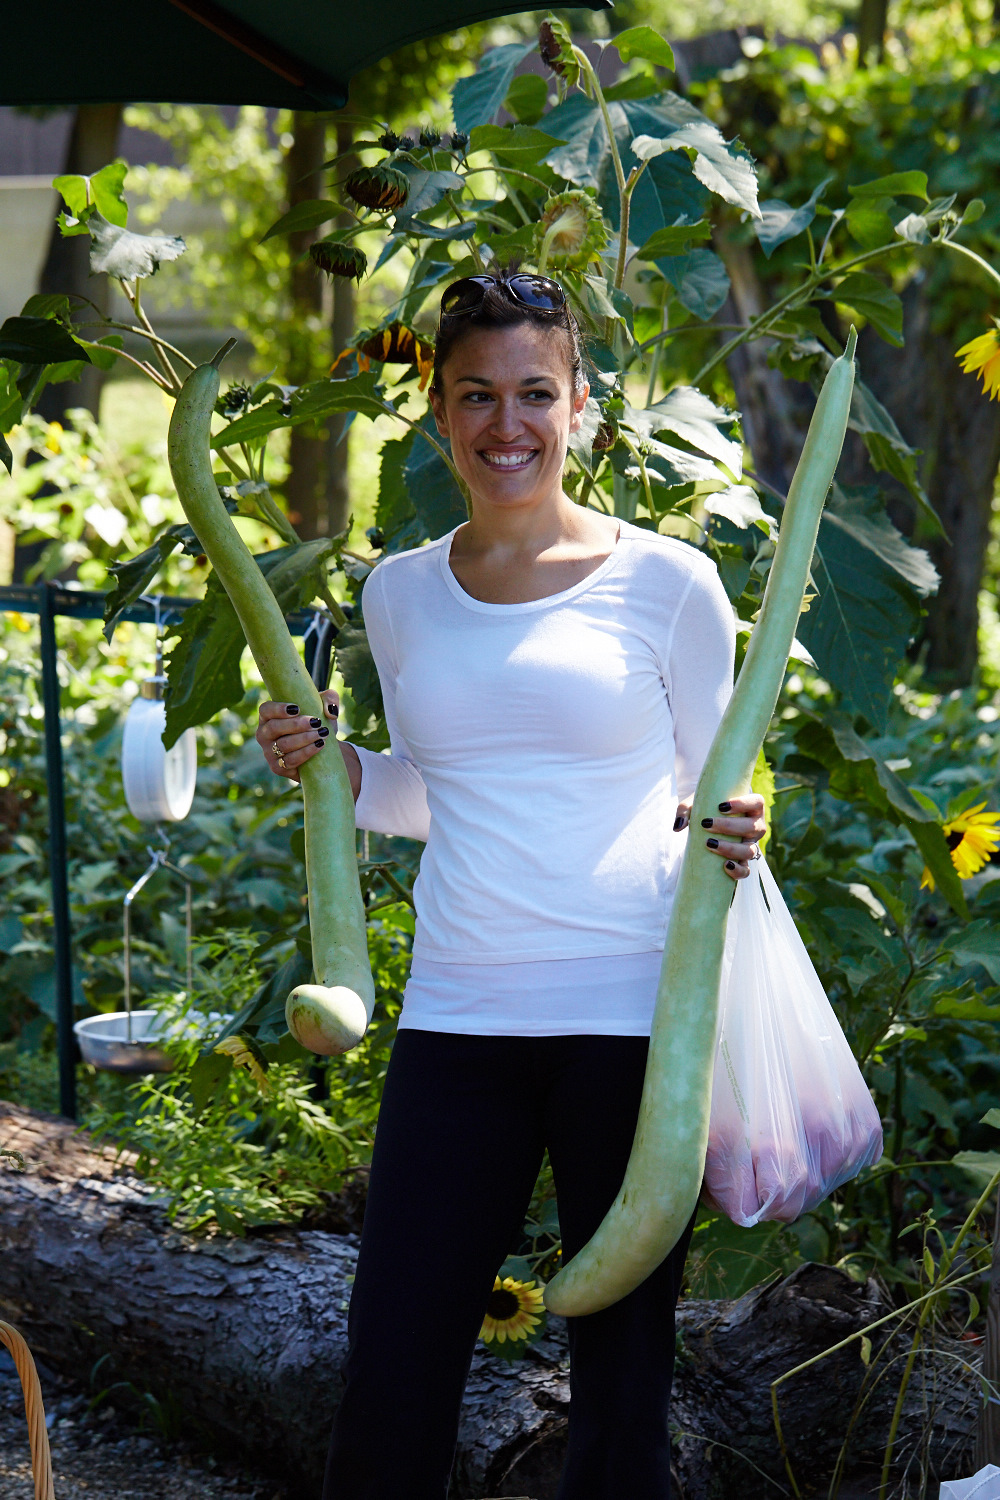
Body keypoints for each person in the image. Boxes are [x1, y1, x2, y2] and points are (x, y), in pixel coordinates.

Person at [255, 269, 766, 1500]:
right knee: (393, 1363)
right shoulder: (399, 591)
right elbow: (433, 794)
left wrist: (744, 828)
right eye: (475, 394)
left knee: (624, 1385)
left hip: (630, 1026)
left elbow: (713, 791)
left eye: (535, 392)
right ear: (438, 411)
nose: (506, 423)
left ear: (580, 405)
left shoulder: (670, 583)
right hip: (458, 1019)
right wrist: (331, 768)